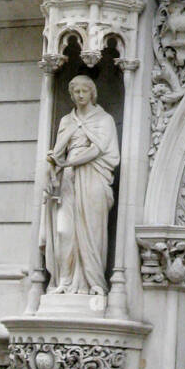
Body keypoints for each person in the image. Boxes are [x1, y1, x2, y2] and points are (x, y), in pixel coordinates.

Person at [44, 75, 119, 295]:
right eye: (76, 91)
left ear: (92, 92)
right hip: (68, 178)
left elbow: (97, 149)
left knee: (92, 230)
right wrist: (53, 165)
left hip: (93, 176)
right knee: (64, 231)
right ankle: (65, 282)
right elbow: (57, 151)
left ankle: (94, 282)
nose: (80, 95)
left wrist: (68, 162)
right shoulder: (67, 121)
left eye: (84, 91)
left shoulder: (104, 120)